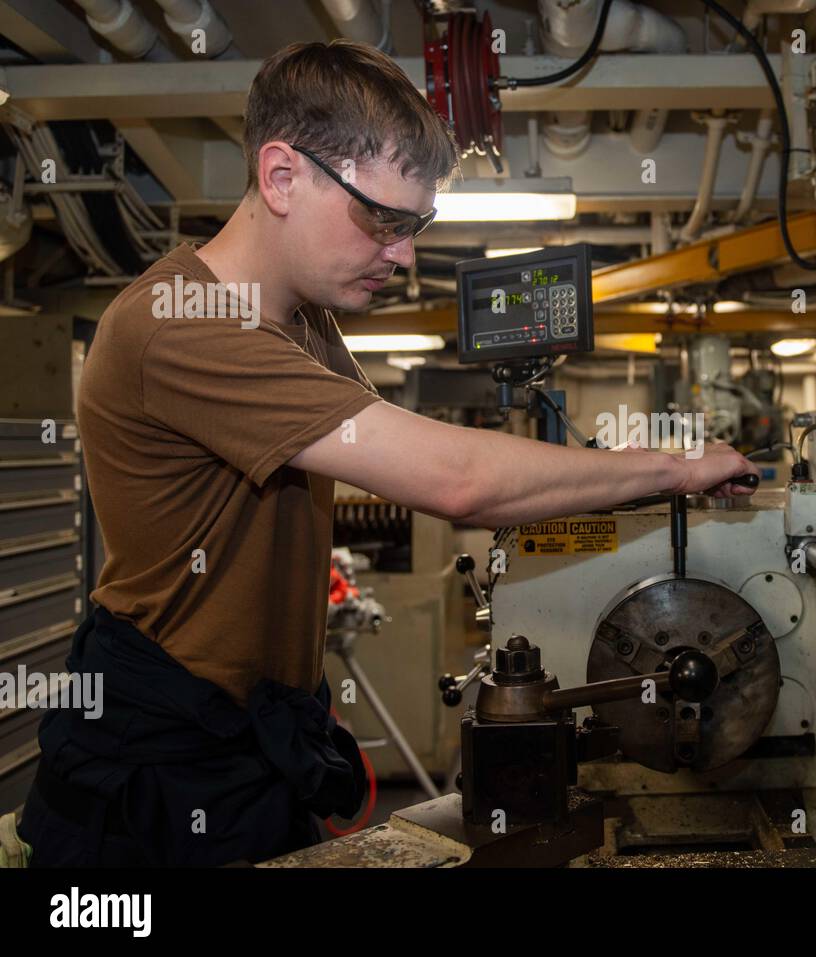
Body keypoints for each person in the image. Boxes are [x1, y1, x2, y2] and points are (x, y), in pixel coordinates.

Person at [14, 40, 757, 867]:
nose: (404, 255)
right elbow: (457, 480)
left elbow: (422, 453)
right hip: (158, 764)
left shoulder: (305, 325)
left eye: (417, 225)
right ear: (281, 176)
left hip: (253, 735)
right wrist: (672, 466)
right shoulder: (180, 325)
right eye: (384, 219)